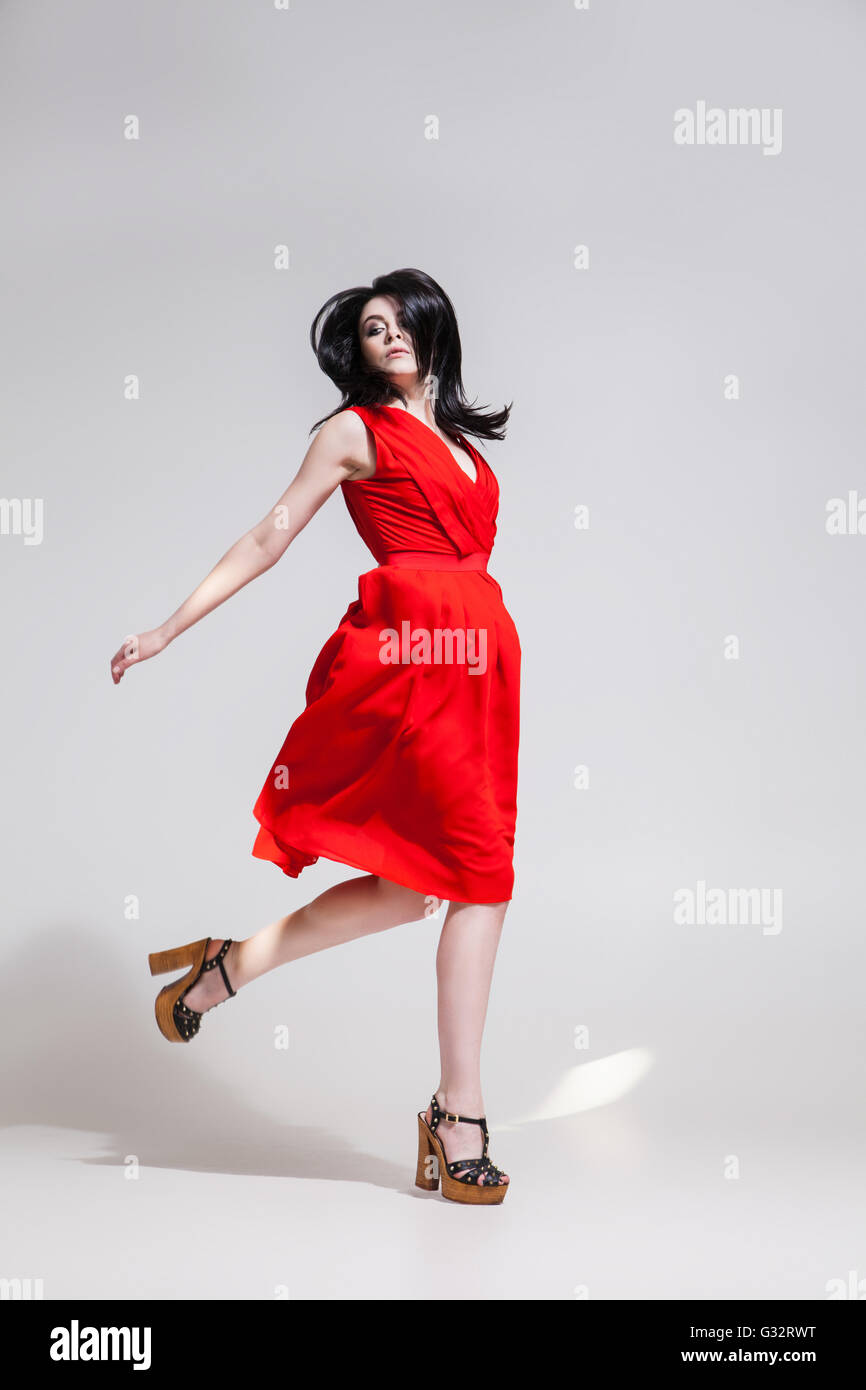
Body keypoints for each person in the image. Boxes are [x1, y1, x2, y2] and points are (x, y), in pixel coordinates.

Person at [109, 268, 521, 1205]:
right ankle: (460, 1115)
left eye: (402, 322)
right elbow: (268, 537)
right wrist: (171, 627)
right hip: (413, 662)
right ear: (357, 351)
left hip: (483, 669)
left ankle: (231, 964)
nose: (389, 337)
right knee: (478, 880)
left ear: (432, 329)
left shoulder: (460, 442)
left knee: (423, 889)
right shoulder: (351, 433)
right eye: (371, 330)